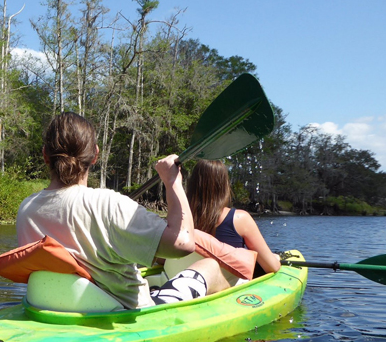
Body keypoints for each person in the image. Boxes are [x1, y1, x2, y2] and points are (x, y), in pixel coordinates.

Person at [16, 112, 230, 310]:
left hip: (57, 309)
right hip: (126, 313)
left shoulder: (26, 209)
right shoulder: (107, 203)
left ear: (45, 155)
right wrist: (172, 182)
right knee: (210, 266)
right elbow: (183, 243)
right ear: (95, 155)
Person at [186, 159, 281, 277]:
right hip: (226, 287)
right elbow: (272, 266)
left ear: (192, 184)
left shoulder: (181, 219)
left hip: (188, 281)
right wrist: (274, 258)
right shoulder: (240, 219)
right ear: (224, 185)